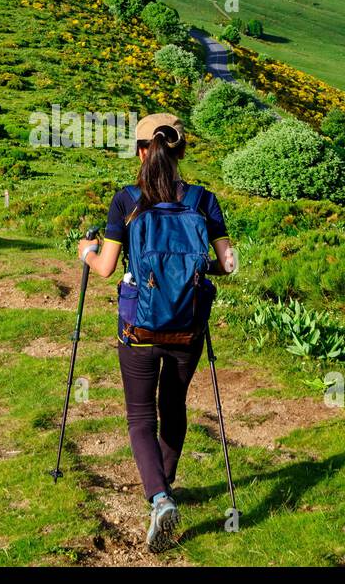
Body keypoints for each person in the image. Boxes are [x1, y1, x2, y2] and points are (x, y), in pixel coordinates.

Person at [78, 113, 236, 553]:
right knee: (174, 406)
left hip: (139, 328)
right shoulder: (205, 201)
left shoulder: (126, 200)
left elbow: (107, 269)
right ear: (180, 150)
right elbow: (228, 265)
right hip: (187, 328)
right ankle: (163, 489)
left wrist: (86, 252)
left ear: (141, 150)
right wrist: (189, 269)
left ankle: (160, 498)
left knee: (140, 417)